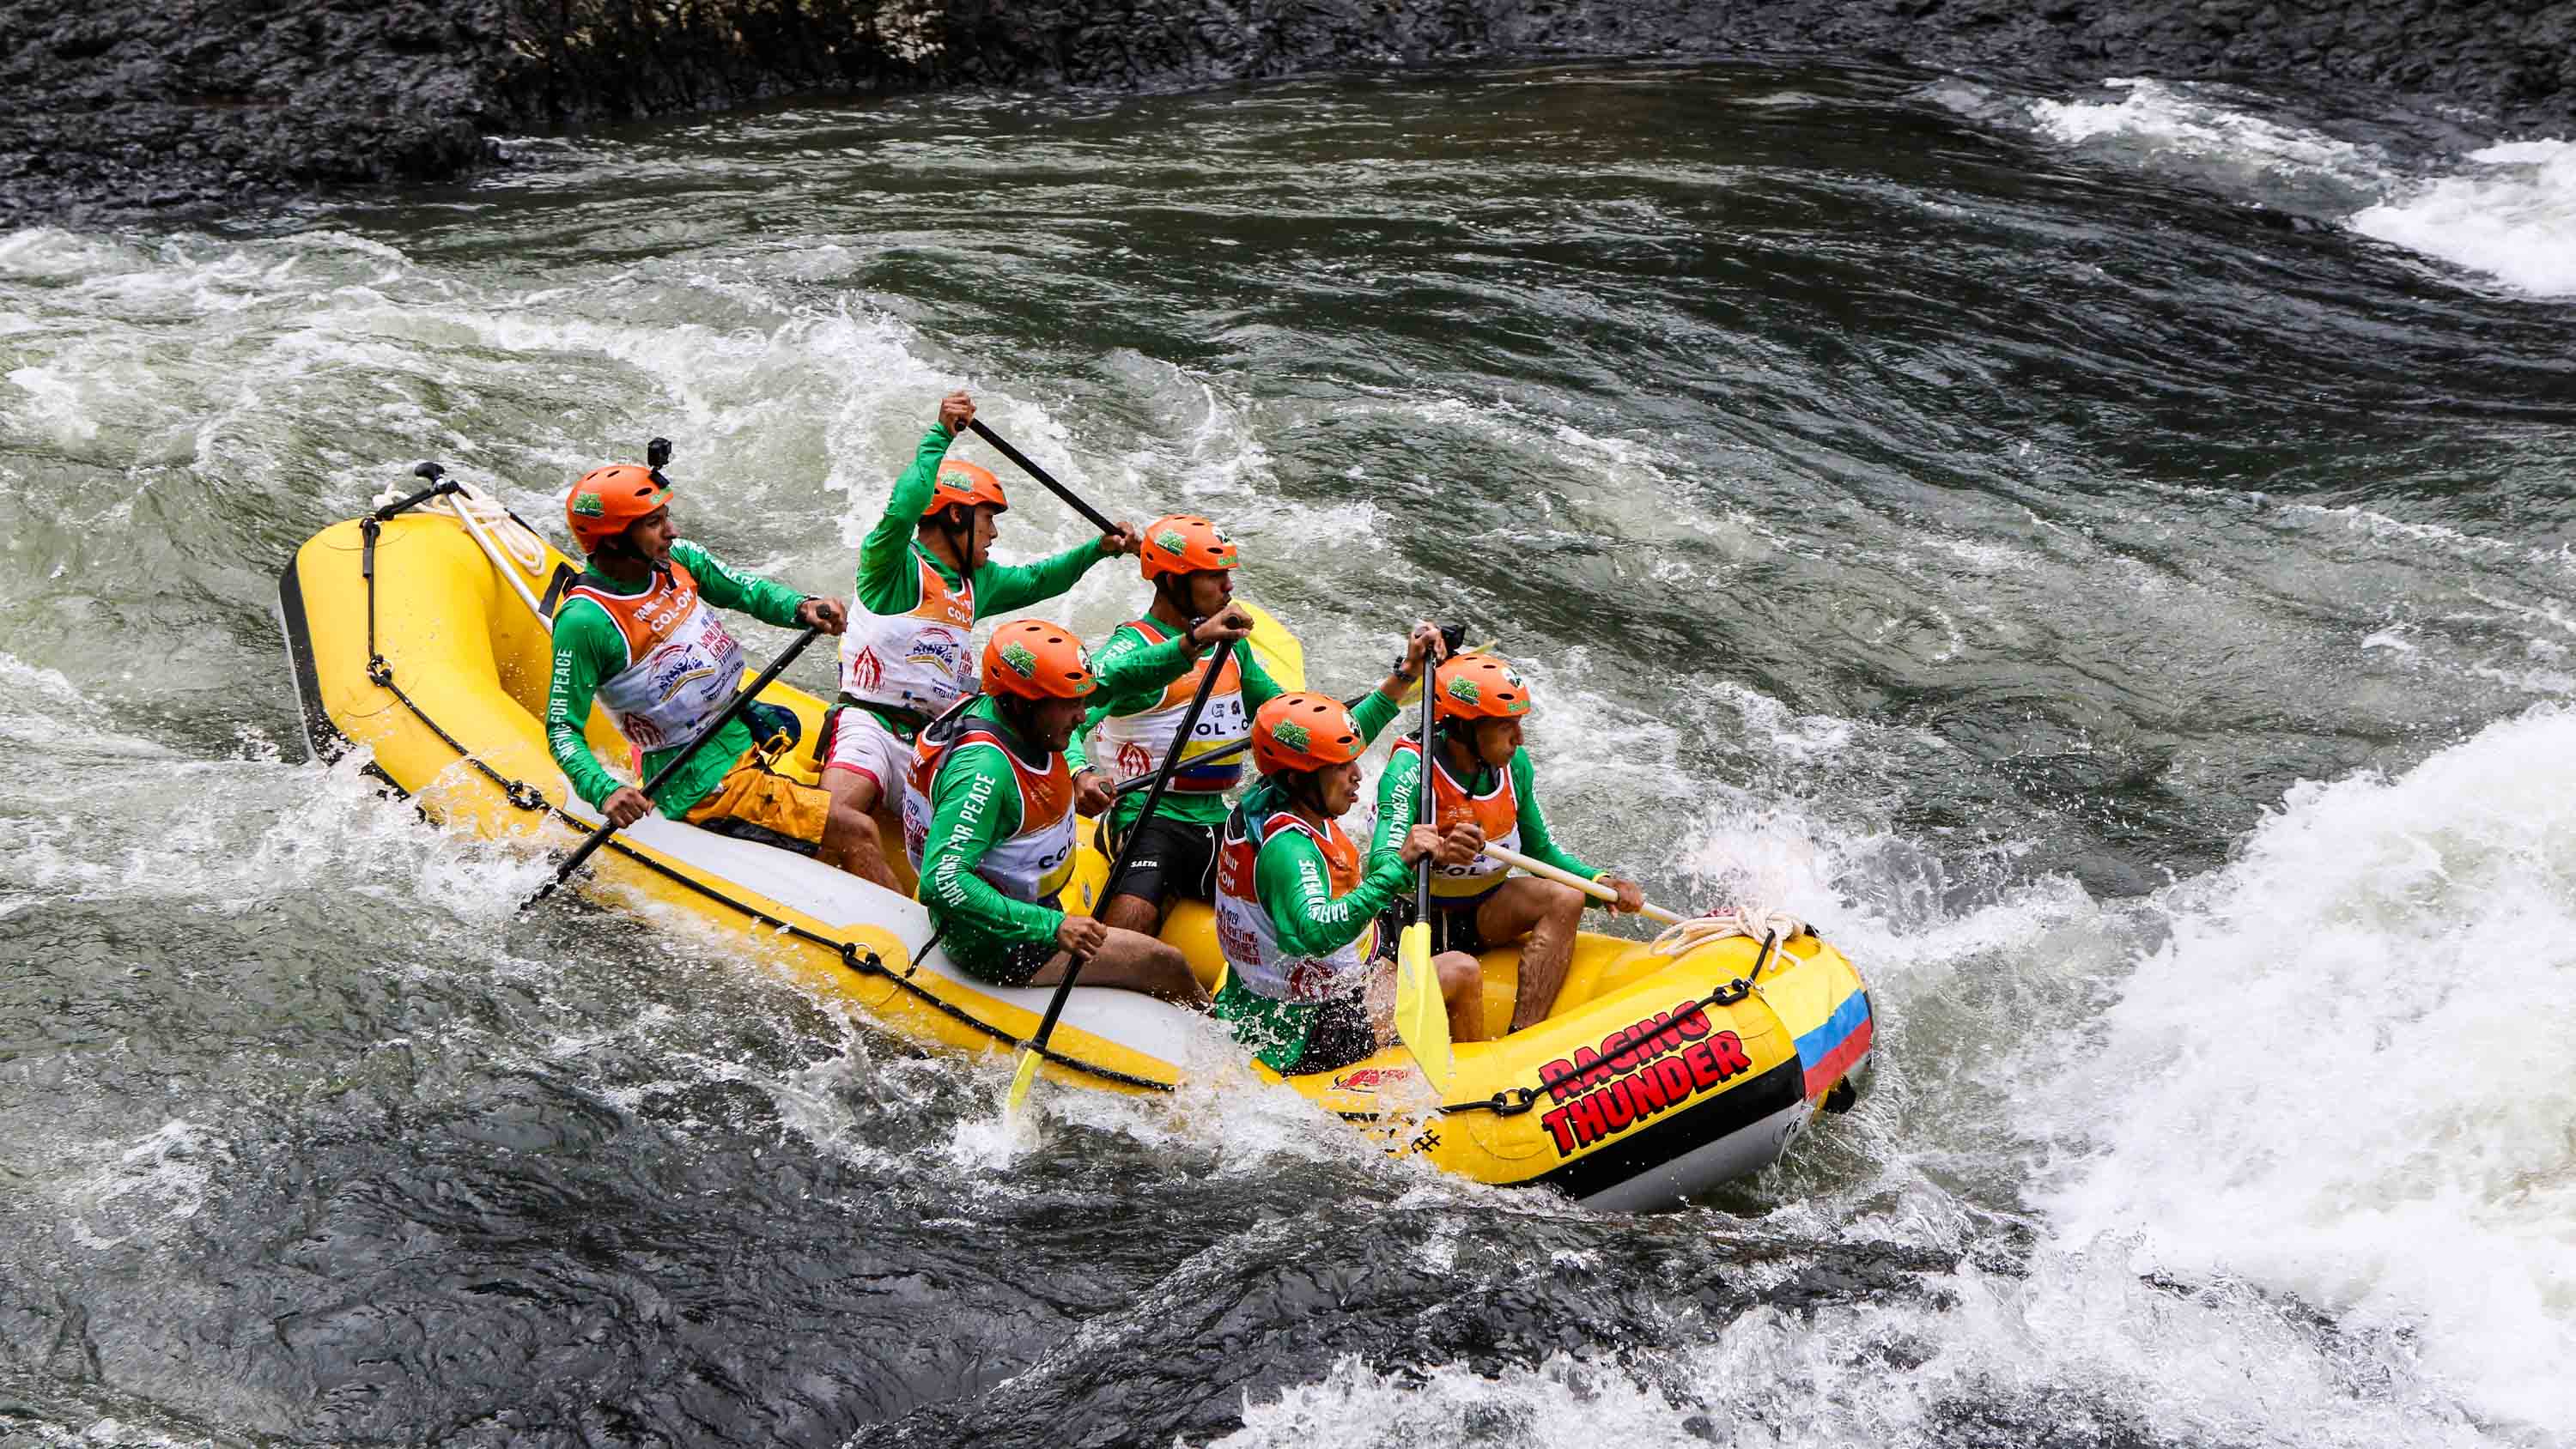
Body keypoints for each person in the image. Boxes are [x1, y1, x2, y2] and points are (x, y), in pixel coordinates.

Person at [819, 390, 1139, 890]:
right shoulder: (892, 567)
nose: (993, 533)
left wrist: (1098, 550)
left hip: (935, 740)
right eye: (987, 519)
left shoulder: (977, 583)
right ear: (955, 516)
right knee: (837, 818)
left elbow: (1040, 579)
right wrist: (940, 435)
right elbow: (903, 510)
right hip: (871, 726)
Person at [544, 462, 854, 852]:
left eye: (666, 517)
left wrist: (801, 607)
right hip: (693, 779)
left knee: (843, 809)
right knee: (857, 830)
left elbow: (748, 592)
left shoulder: (677, 561)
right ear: (613, 540)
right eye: (653, 523)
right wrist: (603, 790)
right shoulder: (585, 621)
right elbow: (561, 729)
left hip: (735, 732)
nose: (671, 530)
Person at [907, 620, 1219, 1005]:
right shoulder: (985, 771)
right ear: (1024, 702)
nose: (1083, 716)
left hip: (1029, 905)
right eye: (1070, 704)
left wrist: (1192, 643)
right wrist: (1053, 927)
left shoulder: (1015, 708)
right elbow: (942, 881)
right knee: (1166, 962)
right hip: (996, 941)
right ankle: (1218, 1051)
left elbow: (1119, 679)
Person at [1212, 653, 1485, 1076]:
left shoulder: (1265, 800)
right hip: (1307, 1031)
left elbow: (1337, 741)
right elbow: (1316, 932)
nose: (1357, 774)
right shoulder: (1290, 850)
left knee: (1396, 932)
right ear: (1300, 778)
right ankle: (1478, 1086)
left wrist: (1405, 675)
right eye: (1342, 767)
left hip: (1267, 997)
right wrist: (1401, 864)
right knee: (1463, 970)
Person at [1371, 655, 1644, 1035]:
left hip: (1482, 913)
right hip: (1409, 923)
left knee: (1566, 897)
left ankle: (1525, 1035)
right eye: (1506, 726)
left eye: (1518, 723)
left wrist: (1602, 885)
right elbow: (1381, 863)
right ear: (1466, 728)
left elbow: (1540, 852)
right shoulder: (1411, 770)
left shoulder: (1514, 767)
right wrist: (1435, 854)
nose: (1520, 738)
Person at [1064, 514, 1288, 936]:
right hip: (1145, 816)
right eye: (1214, 576)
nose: (1229, 587)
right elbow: (1069, 718)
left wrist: (1399, 680)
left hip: (1215, 819)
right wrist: (1080, 771)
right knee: (1135, 917)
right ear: (1171, 581)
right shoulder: (1131, 646)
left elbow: (1285, 714)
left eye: (1227, 575)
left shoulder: (1234, 651)